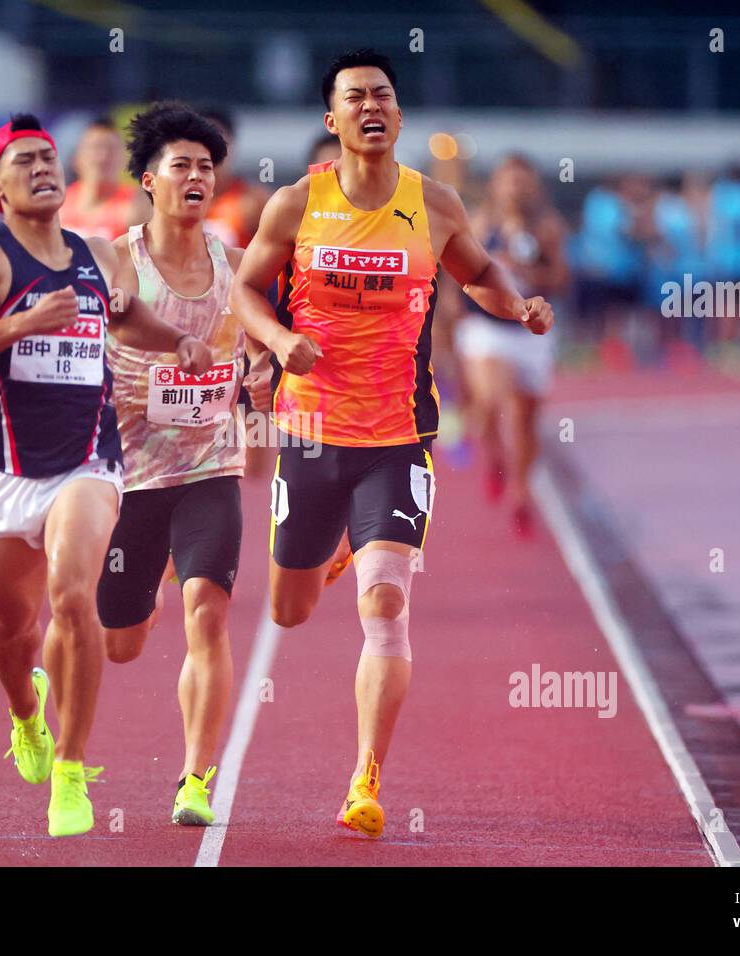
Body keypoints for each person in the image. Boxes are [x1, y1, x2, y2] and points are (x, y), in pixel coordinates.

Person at [231, 50, 553, 838]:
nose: (370, 106)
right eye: (354, 97)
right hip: (309, 430)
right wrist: (276, 339)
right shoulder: (296, 203)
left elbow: (474, 272)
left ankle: (366, 775)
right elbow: (244, 287)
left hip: (399, 434)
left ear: (398, 116)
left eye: (383, 94)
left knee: (386, 604)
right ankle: (334, 551)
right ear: (332, 118)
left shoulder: (434, 203)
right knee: (290, 609)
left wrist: (516, 308)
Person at [0, 113, 212, 837]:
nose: (44, 167)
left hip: (88, 460)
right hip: (6, 471)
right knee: (9, 626)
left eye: (49, 157)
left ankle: (72, 770)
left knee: (72, 595)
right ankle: (28, 716)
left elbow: (127, 316)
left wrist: (177, 339)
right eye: (25, 160)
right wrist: (21, 324)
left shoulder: (93, 255)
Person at [96, 102, 269, 826]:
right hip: (130, 474)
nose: (196, 176)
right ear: (149, 179)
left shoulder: (237, 267)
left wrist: (258, 407)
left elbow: (259, 356)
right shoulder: (113, 256)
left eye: (206, 167)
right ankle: (146, 593)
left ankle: (195, 778)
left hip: (209, 468)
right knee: (122, 641)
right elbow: (102, 311)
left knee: (211, 613)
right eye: (181, 166)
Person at [452, 154, 570, 536]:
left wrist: (527, 273)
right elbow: (457, 271)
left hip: (532, 332)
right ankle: (493, 454)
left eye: (522, 181)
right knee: (489, 401)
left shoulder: (548, 227)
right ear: (496, 185)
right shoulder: (480, 221)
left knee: (525, 421)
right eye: (509, 181)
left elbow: (562, 278)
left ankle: (520, 489)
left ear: (533, 185)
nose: (515, 189)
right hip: (488, 329)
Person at [58, 117, 147, 241]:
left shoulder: (137, 207)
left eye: (111, 149)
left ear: (125, 160)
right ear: (76, 158)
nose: (102, 157)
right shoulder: (58, 205)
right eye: (95, 148)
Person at [200, 108, 269, 250]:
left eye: (217, 144)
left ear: (232, 147)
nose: (210, 153)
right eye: (202, 144)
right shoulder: (160, 202)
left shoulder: (254, 202)